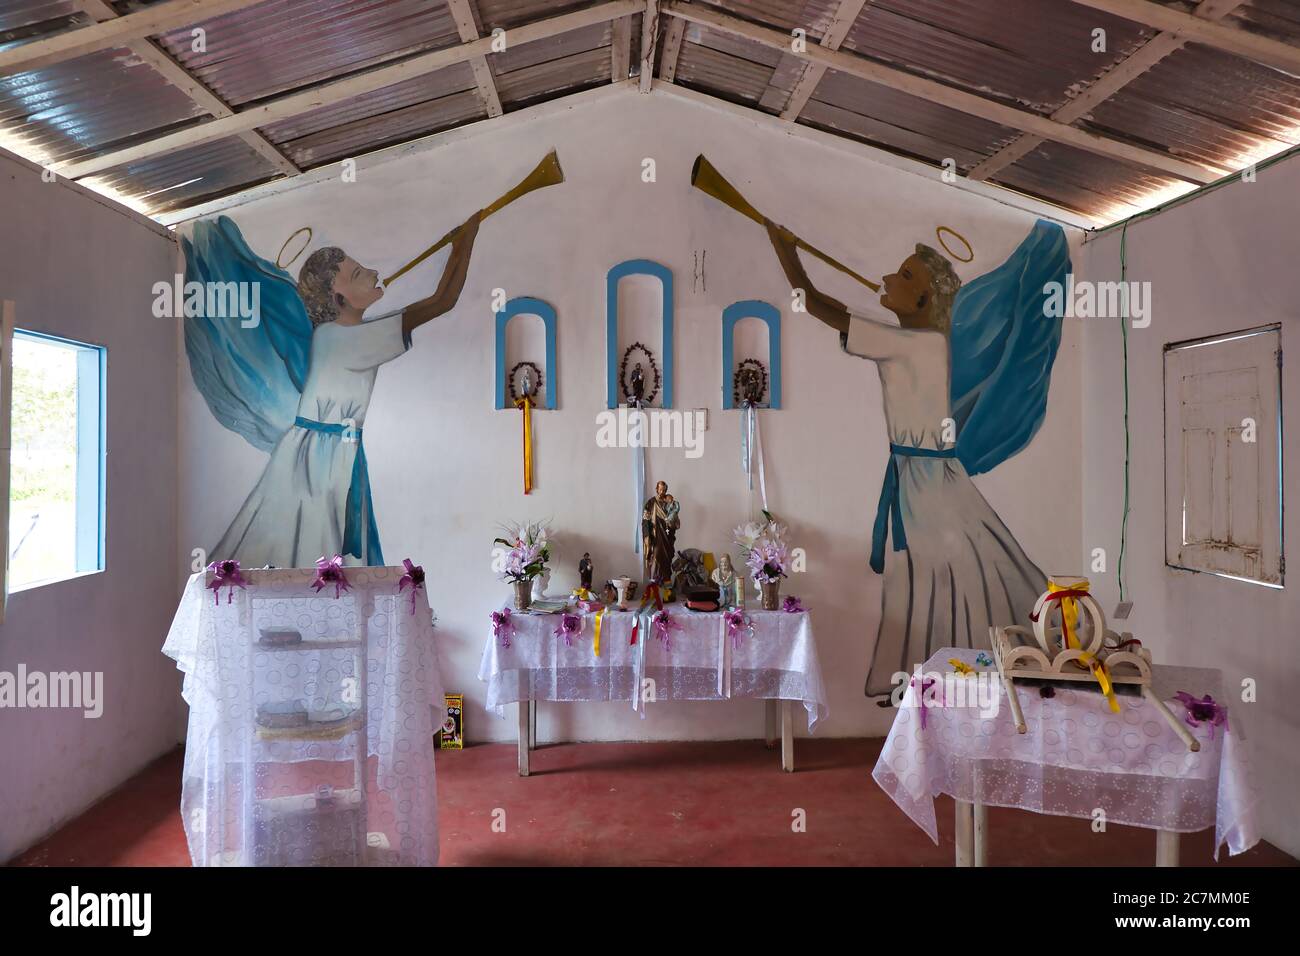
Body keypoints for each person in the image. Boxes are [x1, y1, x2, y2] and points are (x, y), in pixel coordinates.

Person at [764, 218, 1050, 699]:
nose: (890, 280)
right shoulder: (915, 343)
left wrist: (786, 252)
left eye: (905, 277)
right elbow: (833, 311)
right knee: (938, 575)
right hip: (921, 475)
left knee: (942, 575)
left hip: (926, 479)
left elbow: (819, 306)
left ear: (922, 302)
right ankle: (938, 682)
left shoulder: (919, 344)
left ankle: (955, 681)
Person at [208, 213, 480, 567]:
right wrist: (467, 238)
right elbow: (441, 302)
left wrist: (460, 244)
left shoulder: (338, 335)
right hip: (321, 460)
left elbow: (438, 301)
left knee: (317, 557)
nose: (372, 273)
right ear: (339, 299)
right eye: (358, 274)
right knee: (311, 556)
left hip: (327, 451)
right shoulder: (342, 340)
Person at [642, 481, 680, 585]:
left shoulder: (669, 502)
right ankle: (655, 583)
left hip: (667, 536)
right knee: (656, 555)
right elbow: (645, 520)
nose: (662, 491)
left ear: (666, 490)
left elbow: (675, 520)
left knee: (667, 559)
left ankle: (666, 583)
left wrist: (672, 520)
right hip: (656, 536)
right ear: (657, 489)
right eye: (660, 489)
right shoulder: (651, 503)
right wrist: (646, 535)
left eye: (664, 489)